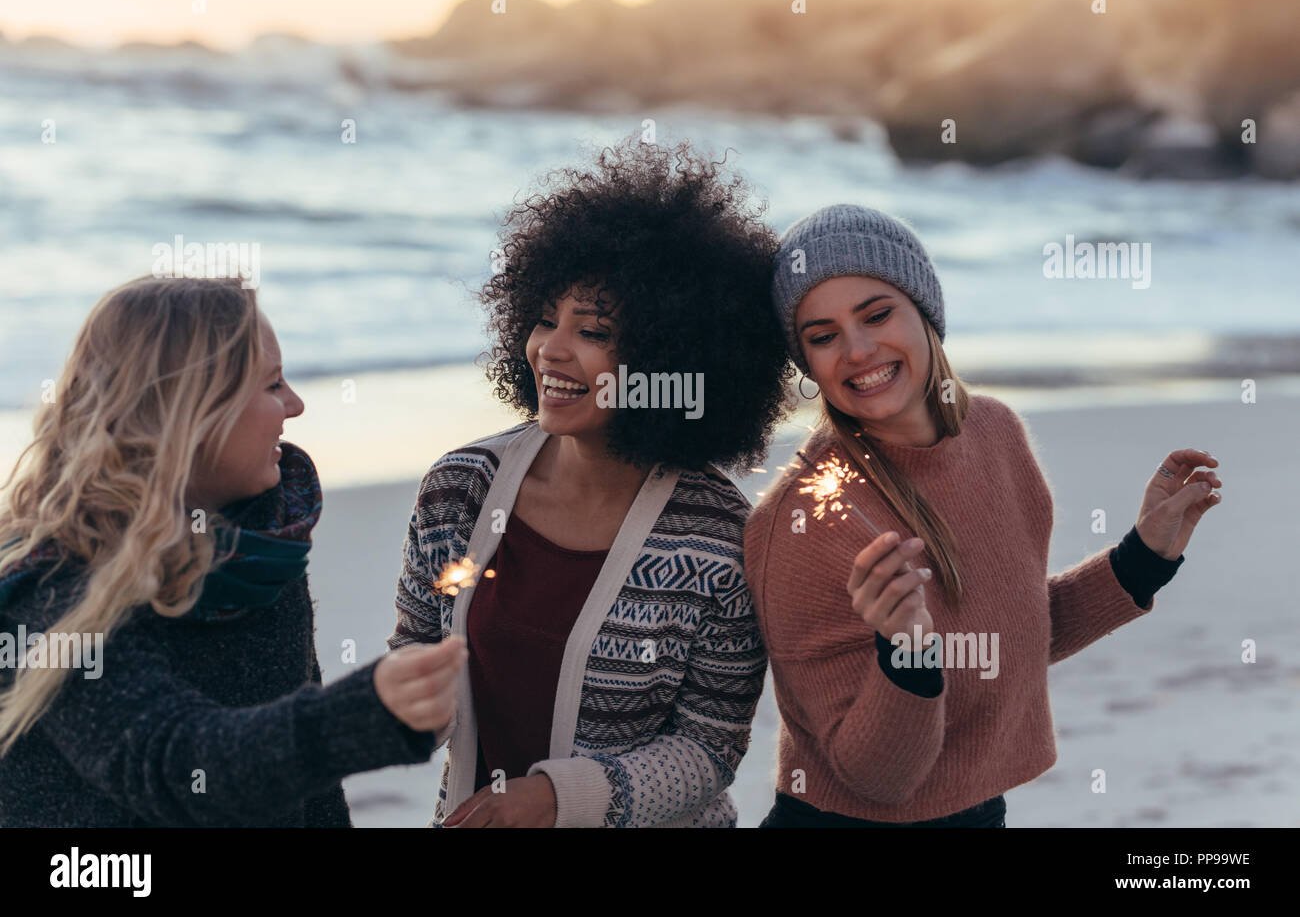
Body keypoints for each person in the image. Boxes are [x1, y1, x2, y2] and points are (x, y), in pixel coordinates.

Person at [744, 204, 1222, 827]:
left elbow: (1008, 637)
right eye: (823, 336)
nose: (858, 350)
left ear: (926, 313)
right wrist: (906, 651)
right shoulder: (804, 519)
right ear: (806, 364)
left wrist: (1143, 558)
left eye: (877, 314)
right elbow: (875, 780)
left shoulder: (994, 433)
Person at [389, 136, 793, 827]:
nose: (552, 348)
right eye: (545, 320)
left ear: (673, 353)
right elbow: (414, 660)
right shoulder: (458, 490)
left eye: (594, 330)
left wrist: (555, 800)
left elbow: (708, 750)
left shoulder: (719, 541)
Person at [0, 275, 464, 826]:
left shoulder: (263, 546)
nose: (295, 405)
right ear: (190, 413)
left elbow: (308, 796)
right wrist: (362, 714)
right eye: (272, 385)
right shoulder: (55, 587)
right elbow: (182, 766)